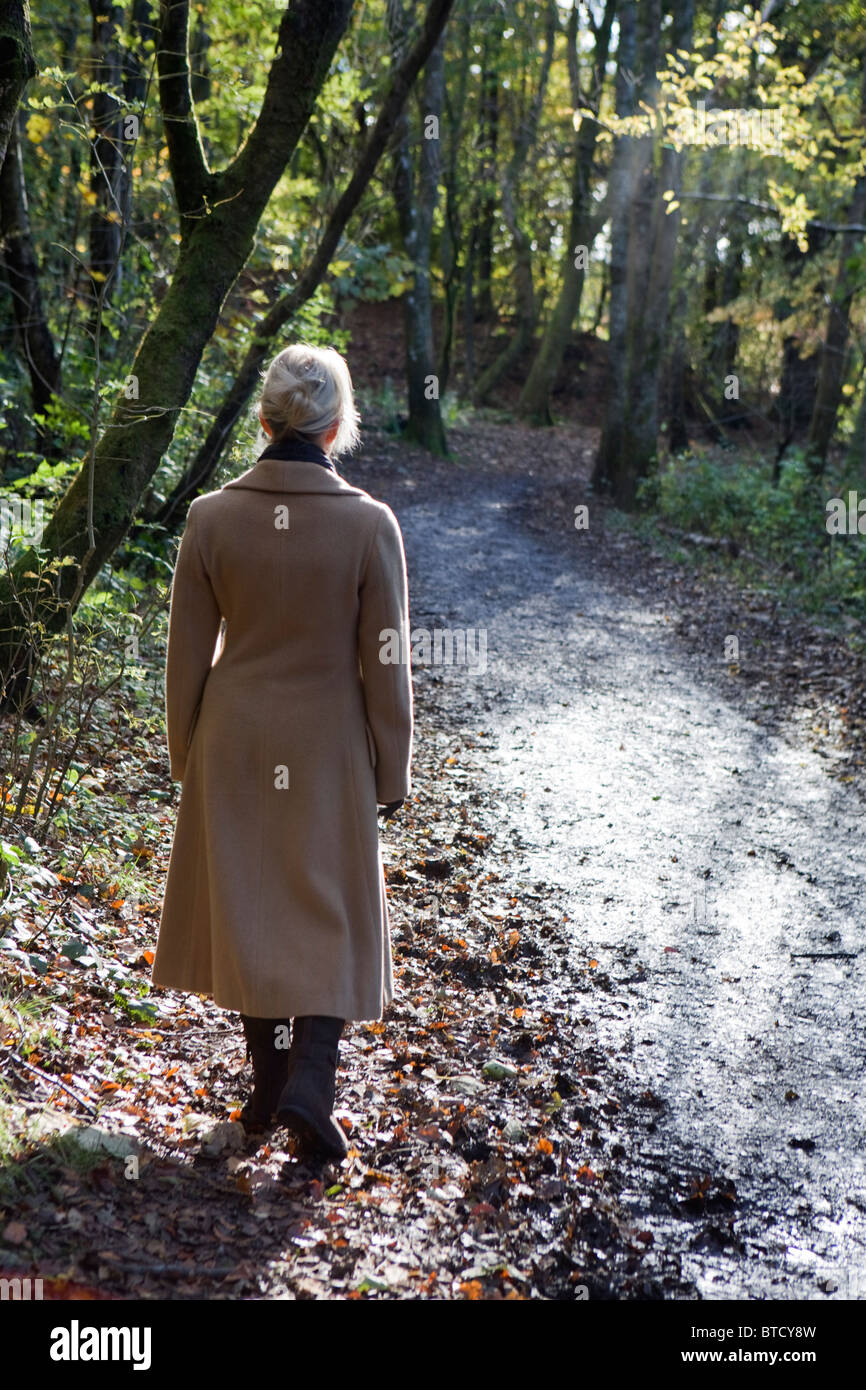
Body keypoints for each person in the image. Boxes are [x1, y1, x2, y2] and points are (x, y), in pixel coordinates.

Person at [151, 343, 414, 1162]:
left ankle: (271, 1078)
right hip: (330, 745)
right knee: (329, 906)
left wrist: (186, 753)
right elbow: (387, 664)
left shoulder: (210, 518)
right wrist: (392, 769)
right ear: (336, 428)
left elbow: (185, 658)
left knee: (250, 900)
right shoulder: (369, 524)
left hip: (232, 737)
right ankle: (309, 1079)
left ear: (264, 420)